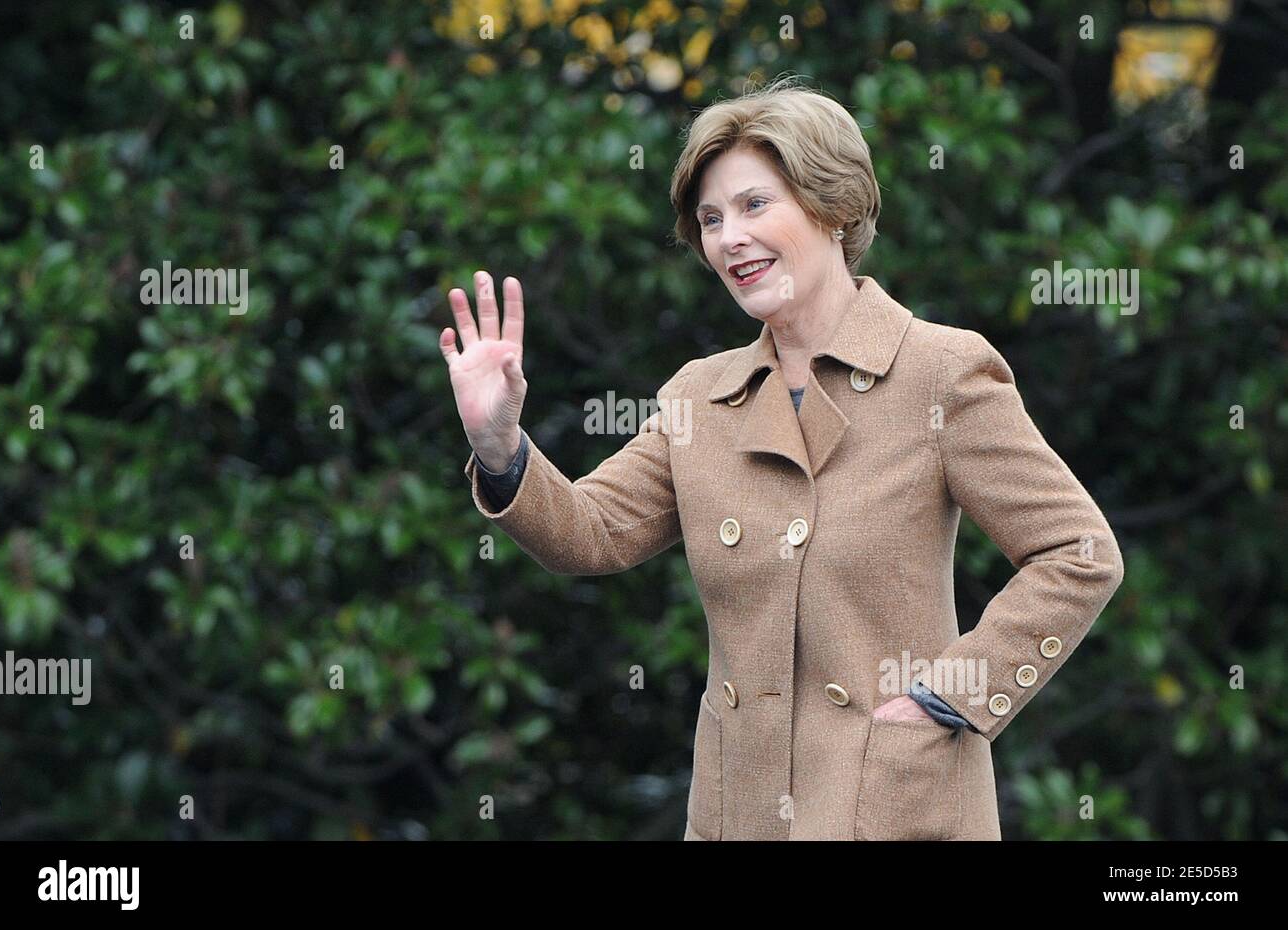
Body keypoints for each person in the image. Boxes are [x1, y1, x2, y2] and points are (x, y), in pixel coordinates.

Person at [441, 76, 1124, 840]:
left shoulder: (942, 371)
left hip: (897, 811)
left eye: (755, 204)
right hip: (739, 816)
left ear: (833, 205)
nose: (729, 236)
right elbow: (591, 534)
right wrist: (499, 446)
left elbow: (1079, 552)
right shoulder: (699, 398)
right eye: (709, 218)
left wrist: (952, 694)